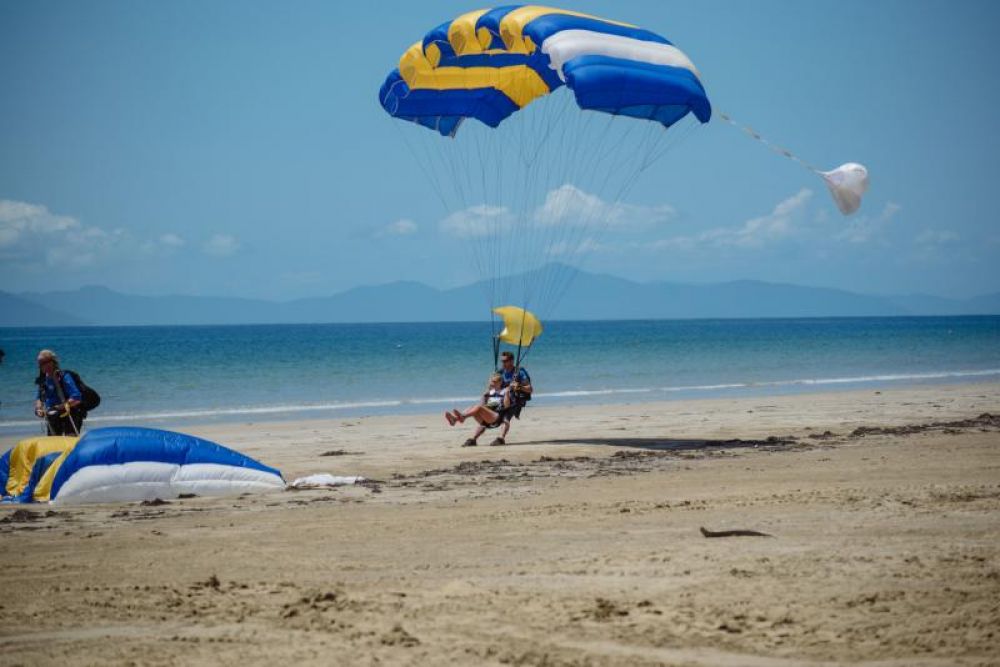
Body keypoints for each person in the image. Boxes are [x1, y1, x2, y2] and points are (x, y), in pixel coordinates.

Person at [445, 373, 512, 447]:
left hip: (496, 418)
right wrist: (485, 395)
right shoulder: (490, 392)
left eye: (495, 381)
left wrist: (507, 394)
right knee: (473, 407)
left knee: (478, 407)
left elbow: (507, 406)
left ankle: (462, 416)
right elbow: (483, 405)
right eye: (492, 381)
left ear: (500, 382)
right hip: (487, 418)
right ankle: (455, 419)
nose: (492, 383)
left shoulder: (505, 391)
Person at [33, 349, 85, 436]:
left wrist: (58, 407)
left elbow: (76, 398)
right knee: (53, 443)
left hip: (70, 413)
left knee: (70, 442)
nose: (39, 366)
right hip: (53, 415)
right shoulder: (43, 379)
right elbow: (39, 397)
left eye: (42, 363)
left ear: (51, 363)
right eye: (39, 363)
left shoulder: (63, 377)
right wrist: (39, 409)